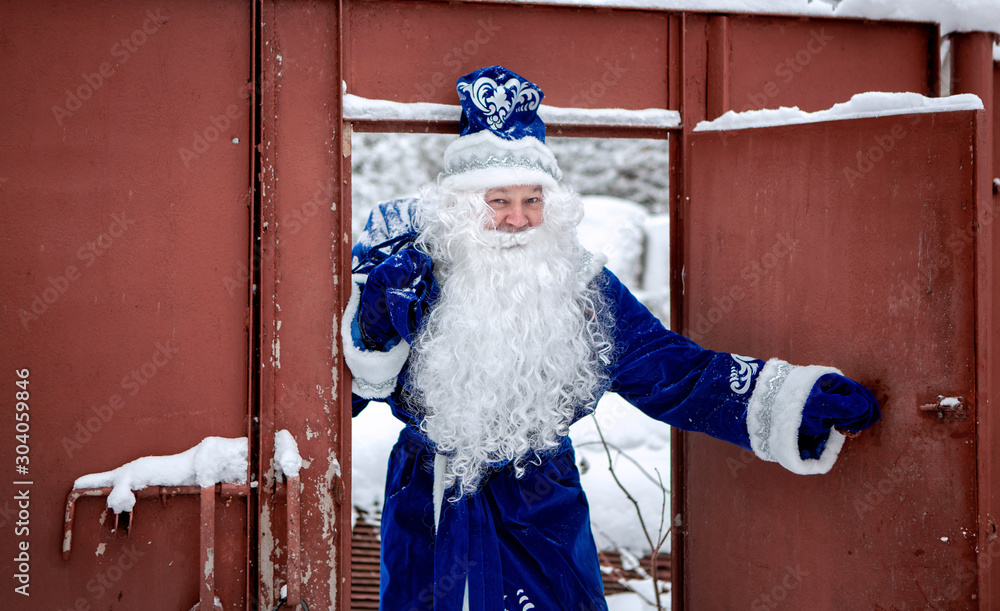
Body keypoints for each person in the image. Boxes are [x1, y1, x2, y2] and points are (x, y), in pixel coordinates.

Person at [342, 65, 880, 611]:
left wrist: (796, 401)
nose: (518, 219)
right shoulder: (411, 276)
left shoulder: (580, 286)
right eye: (498, 200)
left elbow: (670, 369)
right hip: (428, 499)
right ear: (462, 206)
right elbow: (345, 401)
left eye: (533, 200)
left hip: (541, 501)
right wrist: (373, 329)